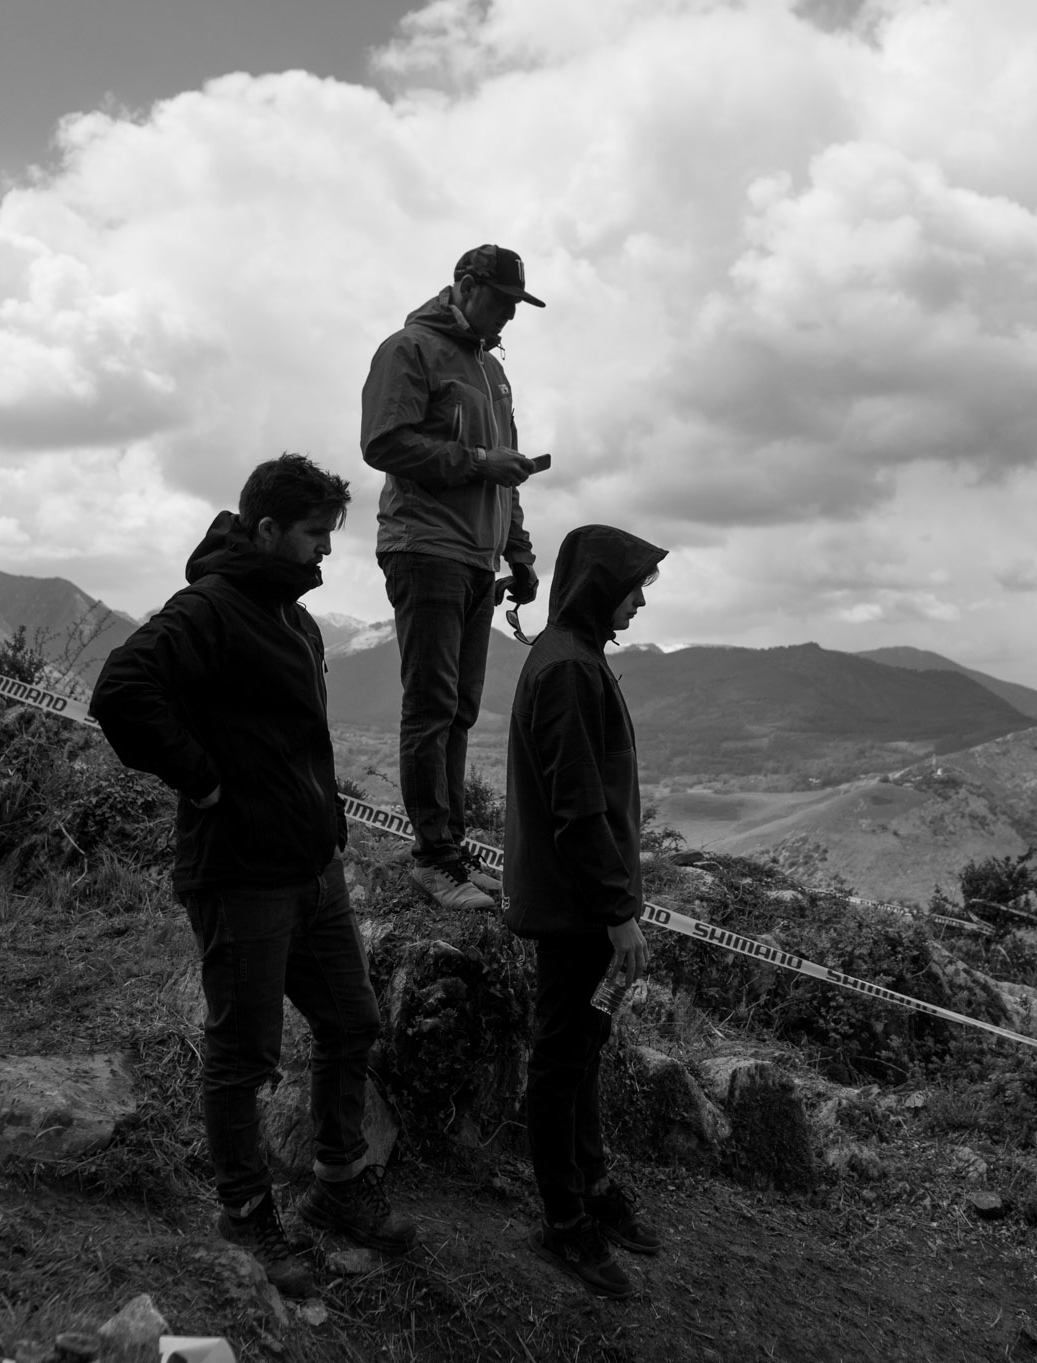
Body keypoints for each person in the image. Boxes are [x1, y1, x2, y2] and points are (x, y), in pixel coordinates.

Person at [90, 454, 416, 1299]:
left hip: (311, 869)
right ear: (267, 529)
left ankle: (339, 1182)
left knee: (351, 1020)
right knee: (244, 1054)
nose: (325, 550)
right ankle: (244, 1212)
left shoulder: (292, 617)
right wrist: (202, 779)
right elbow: (122, 689)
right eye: (314, 534)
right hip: (241, 874)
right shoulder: (211, 608)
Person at [502, 523, 669, 1299]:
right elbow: (577, 806)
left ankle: (591, 1186)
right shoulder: (569, 667)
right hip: (577, 908)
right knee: (561, 1057)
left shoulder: (577, 655)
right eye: (633, 587)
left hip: (584, 904)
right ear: (601, 586)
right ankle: (564, 1220)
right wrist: (617, 909)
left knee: (582, 1051)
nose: (640, 601)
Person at [361, 243, 543, 913]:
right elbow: (383, 442)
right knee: (432, 705)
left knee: (459, 709)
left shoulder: (492, 371)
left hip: (476, 559)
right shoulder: (408, 349)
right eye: (502, 300)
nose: (510, 316)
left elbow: (507, 472)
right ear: (466, 286)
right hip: (424, 546)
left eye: (517, 305)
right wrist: (477, 462)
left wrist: (519, 554)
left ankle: (452, 852)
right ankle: (433, 860)